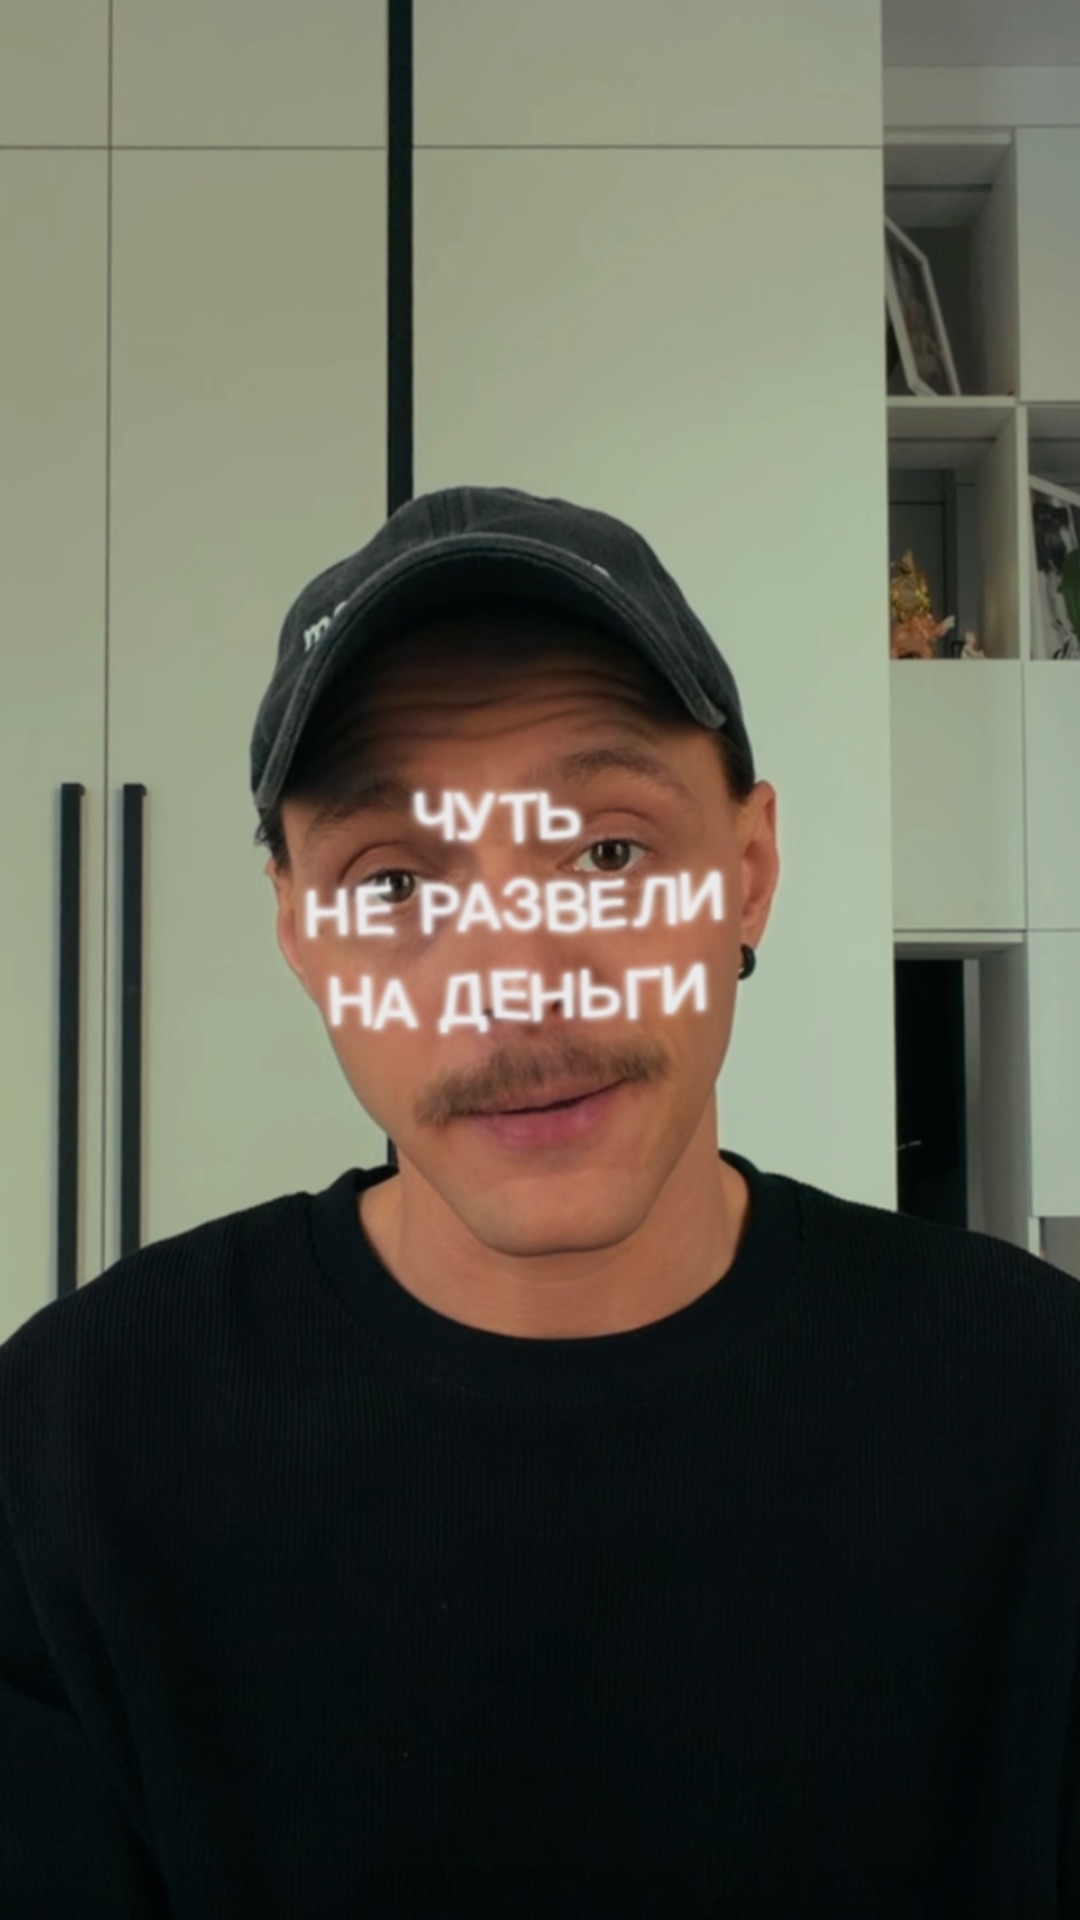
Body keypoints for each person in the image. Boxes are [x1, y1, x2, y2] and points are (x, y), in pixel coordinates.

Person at [2, 485, 1080, 1918]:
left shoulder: (1039, 1406)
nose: (516, 986)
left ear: (748, 872)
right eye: (395, 883)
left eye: (609, 854)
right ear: (298, 933)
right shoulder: (72, 1448)